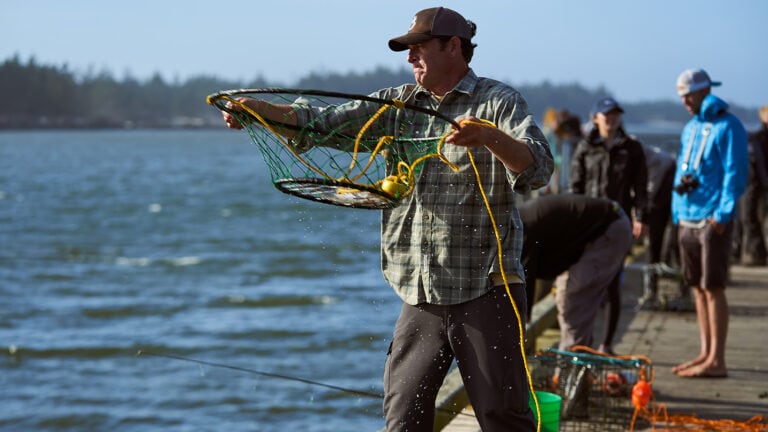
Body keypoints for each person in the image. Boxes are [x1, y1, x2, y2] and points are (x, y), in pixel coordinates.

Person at [221, 7, 553, 431]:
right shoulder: (396, 104)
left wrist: (488, 136)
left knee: (502, 416)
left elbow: (538, 168)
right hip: (419, 291)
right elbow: (319, 125)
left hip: (486, 287)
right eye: (407, 51)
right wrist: (257, 111)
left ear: (454, 47)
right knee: (402, 417)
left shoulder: (498, 100)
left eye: (419, 48)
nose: (411, 58)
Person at [671, 68, 748, 378]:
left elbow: (736, 172)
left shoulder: (729, 126)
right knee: (696, 288)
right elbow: (681, 170)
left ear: (704, 90)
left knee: (713, 287)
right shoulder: (690, 128)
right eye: (681, 96)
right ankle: (705, 353)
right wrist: (676, 211)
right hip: (687, 215)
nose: (685, 101)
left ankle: (718, 359)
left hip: (712, 217)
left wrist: (724, 213)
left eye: (689, 95)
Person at [569, 97, 649, 354]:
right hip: (589, 224)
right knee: (587, 283)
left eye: (616, 114)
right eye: (606, 115)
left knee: (613, 283)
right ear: (595, 118)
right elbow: (575, 188)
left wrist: (640, 217)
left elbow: (640, 186)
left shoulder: (632, 148)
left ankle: (607, 344)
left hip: (619, 223)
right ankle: (585, 342)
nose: (612, 119)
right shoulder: (585, 147)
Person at [519, 194, 632, 351]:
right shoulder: (518, 220)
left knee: (575, 300)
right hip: (594, 231)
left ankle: (570, 366)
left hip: (608, 228)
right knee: (563, 295)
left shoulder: (520, 229)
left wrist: (522, 322)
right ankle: (576, 359)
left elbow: (525, 277)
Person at [637, 144, 679, 310]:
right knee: (655, 243)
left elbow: (650, 189)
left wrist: (643, 215)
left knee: (665, 240)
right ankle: (651, 290)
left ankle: (658, 291)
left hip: (666, 179)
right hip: (659, 181)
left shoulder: (636, 153)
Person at [736, 105, 768, 266]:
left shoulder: (755, 138)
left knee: (749, 217)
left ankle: (756, 252)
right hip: (753, 182)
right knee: (747, 217)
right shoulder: (755, 138)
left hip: (756, 182)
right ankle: (755, 252)